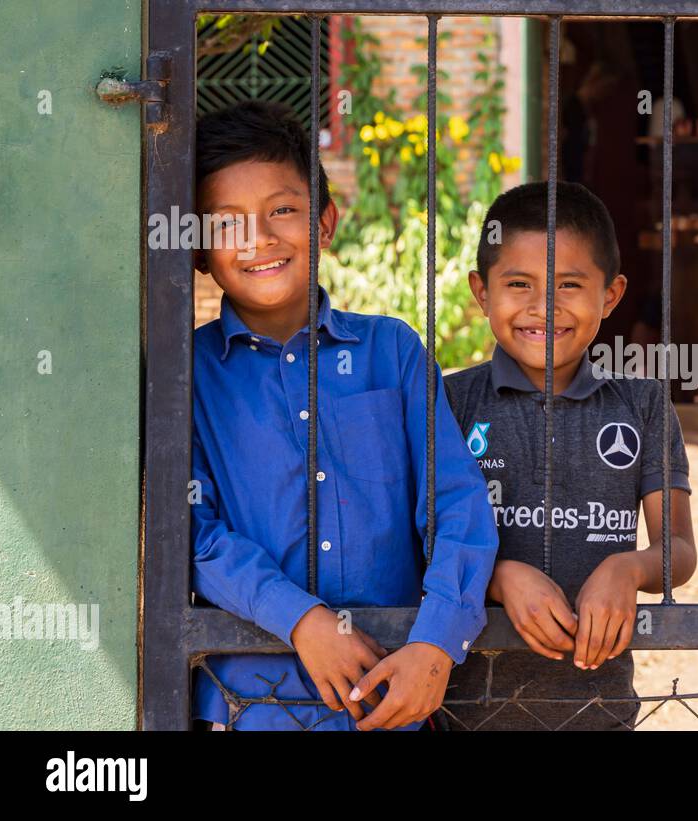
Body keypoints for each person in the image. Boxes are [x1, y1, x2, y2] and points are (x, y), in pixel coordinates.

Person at [190, 100, 497, 731]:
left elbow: (458, 505)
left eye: (283, 210)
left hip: (390, 696)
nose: (260, 238)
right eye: (227, 223)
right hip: (249, 704)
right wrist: (299, 617)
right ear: (196, 248)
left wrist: (438, 640)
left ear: (325, 222)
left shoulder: (392, 352)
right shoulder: (187, 374)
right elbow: (191, 529)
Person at [443, 181, 697, 730]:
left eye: (570, 285)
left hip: (599, 711)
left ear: (610, 295)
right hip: (462, 713)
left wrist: (627, 568)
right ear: (481, 292)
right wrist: (495, 575)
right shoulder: (448, 402)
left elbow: (679, 550)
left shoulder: (644, 404)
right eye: (518, 284)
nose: (543, 307)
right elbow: (413, 543)